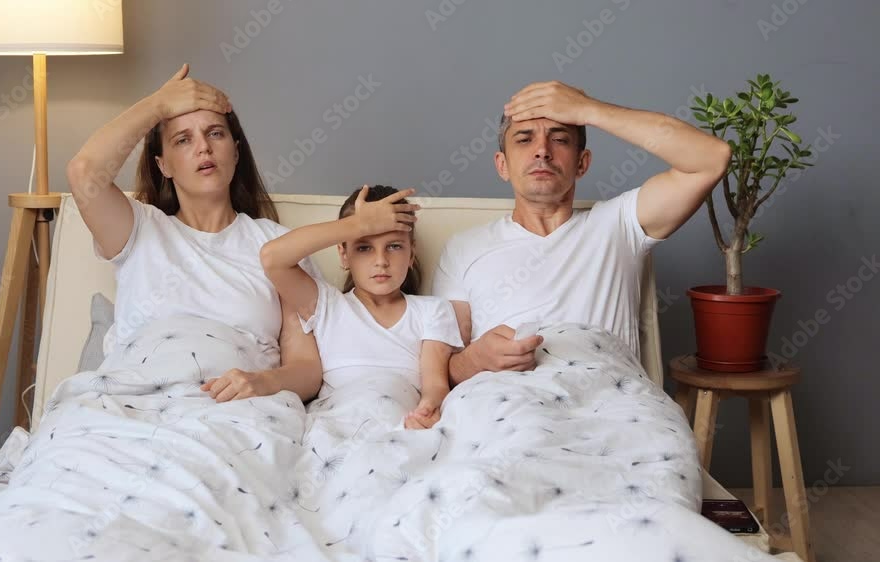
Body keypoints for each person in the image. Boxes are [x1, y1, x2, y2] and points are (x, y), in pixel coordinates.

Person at [433, 80, 731, 384]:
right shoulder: (463, 248)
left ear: (582, 163)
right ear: (502, 165)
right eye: (524, 139)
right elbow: (440, 371)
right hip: (506, 406)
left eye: (559, 139)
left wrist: (589, 109)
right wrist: (474, 359)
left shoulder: (619, 224)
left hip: (610, 402)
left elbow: (711, 158)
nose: (542, 151)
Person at [66, 63, 323, 401]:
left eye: (215, 133)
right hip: (130, 407)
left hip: (230, 412)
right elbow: (84, 172)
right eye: (183, 140)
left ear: (236, 149)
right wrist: (158, 104)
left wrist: (263, 383)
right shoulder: (139, 230)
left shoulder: (277, 247)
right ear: (163, 165)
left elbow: (307, 367)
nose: (204, 148)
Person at [260, 185, 463, 429]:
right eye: (364, 247)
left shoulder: (432, 311)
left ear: (411, 254)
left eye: (394, 246)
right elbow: (273, 258)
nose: (381, 261)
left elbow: (435, 384)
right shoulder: (326, 305)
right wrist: (358, 225)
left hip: (399, 424)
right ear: (344, 255)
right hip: (337, 425)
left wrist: (428, 408)